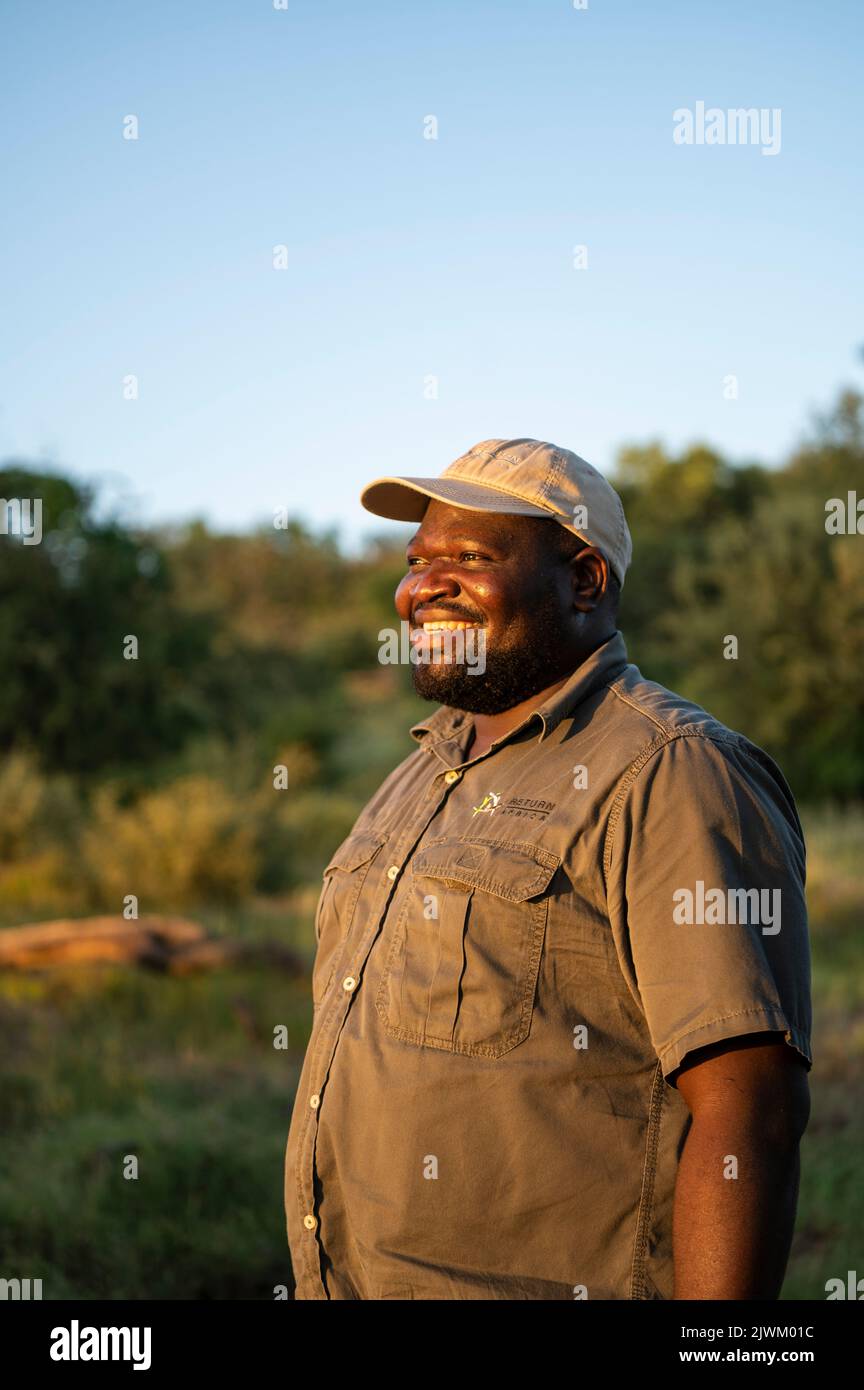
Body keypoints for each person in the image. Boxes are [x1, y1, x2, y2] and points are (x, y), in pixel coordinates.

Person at [284, 437, 812, 1300]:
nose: (423, 586)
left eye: (470, 556)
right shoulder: (418, 773)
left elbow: (749, 1112)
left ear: (584, 580)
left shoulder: (673, 770)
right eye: (418, 560)